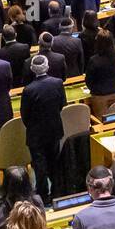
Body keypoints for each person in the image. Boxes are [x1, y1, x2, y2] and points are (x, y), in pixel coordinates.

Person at [21, 54, 66, 203]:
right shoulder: (58, 83)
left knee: (39, 165)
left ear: (33, 69)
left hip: (36, 133)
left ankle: (43, 195)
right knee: (54, 161)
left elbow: (24, 115)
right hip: (54, 129)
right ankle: (56, 191)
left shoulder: (28, 90)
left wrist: (33, 126)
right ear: (47, 66)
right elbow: (62, 105)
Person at [84, 28, 115, 120]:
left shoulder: (94, 60)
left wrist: (93, 88)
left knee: (102, 120)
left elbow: (89, 80)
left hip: (100, 95)